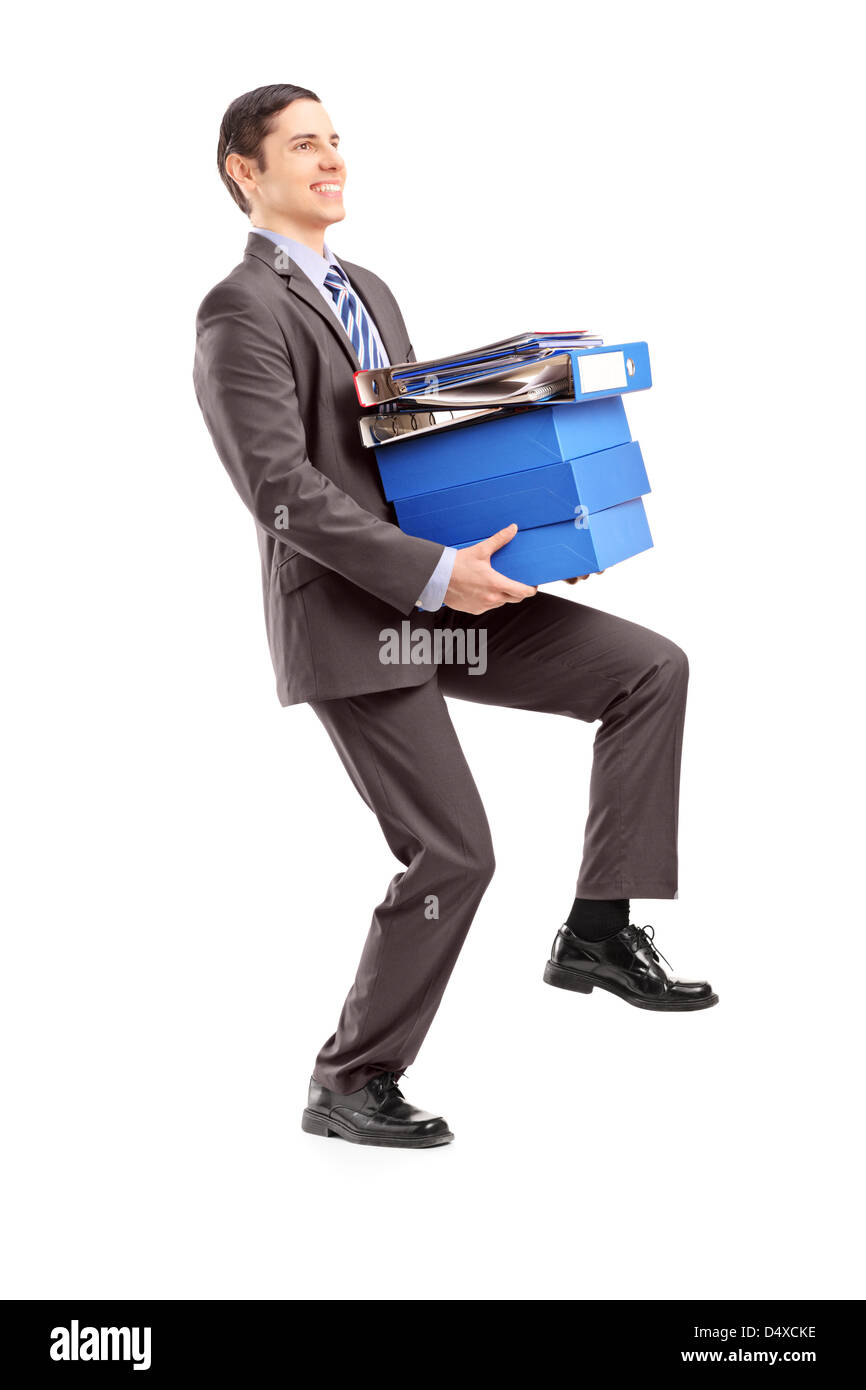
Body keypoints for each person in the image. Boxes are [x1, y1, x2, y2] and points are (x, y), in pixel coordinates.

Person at [192, 83, 718, 1152]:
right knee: (452, 856)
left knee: (646, 670)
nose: (331, 158)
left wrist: (510, 521)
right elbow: (277, 485)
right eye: (303, 144)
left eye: (335, 140)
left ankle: (600, 930)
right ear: (244, 171)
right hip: (356, 618)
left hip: (443, 590)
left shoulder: (368, 289)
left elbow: (402, 443)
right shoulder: (237, 309)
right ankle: (349, 1077)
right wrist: (430, 572)